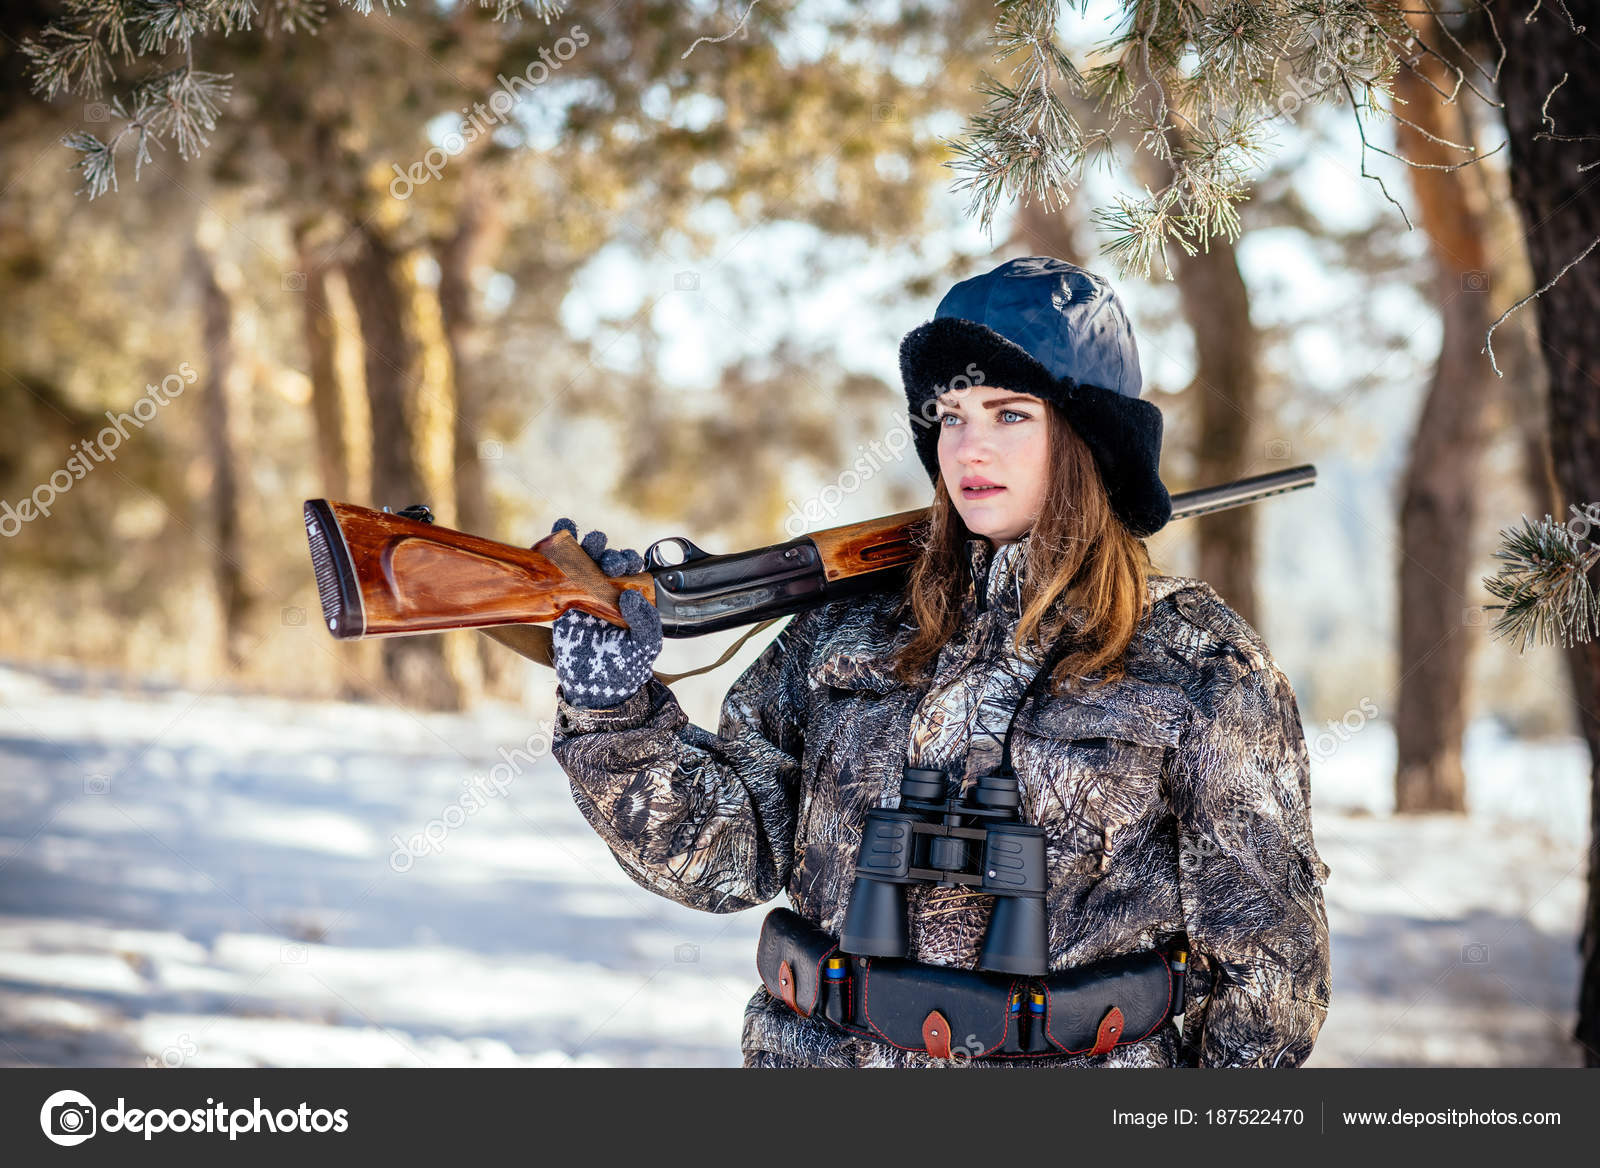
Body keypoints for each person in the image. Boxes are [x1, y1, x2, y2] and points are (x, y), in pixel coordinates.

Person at [548, 256, 1331, 1068]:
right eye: (951, 415)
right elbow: (726, 854)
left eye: (1010, 414)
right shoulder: (845, 632)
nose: (969, 447)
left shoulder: (1199, 661)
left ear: (1089, 438)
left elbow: (1270, 972)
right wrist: (612, 711)